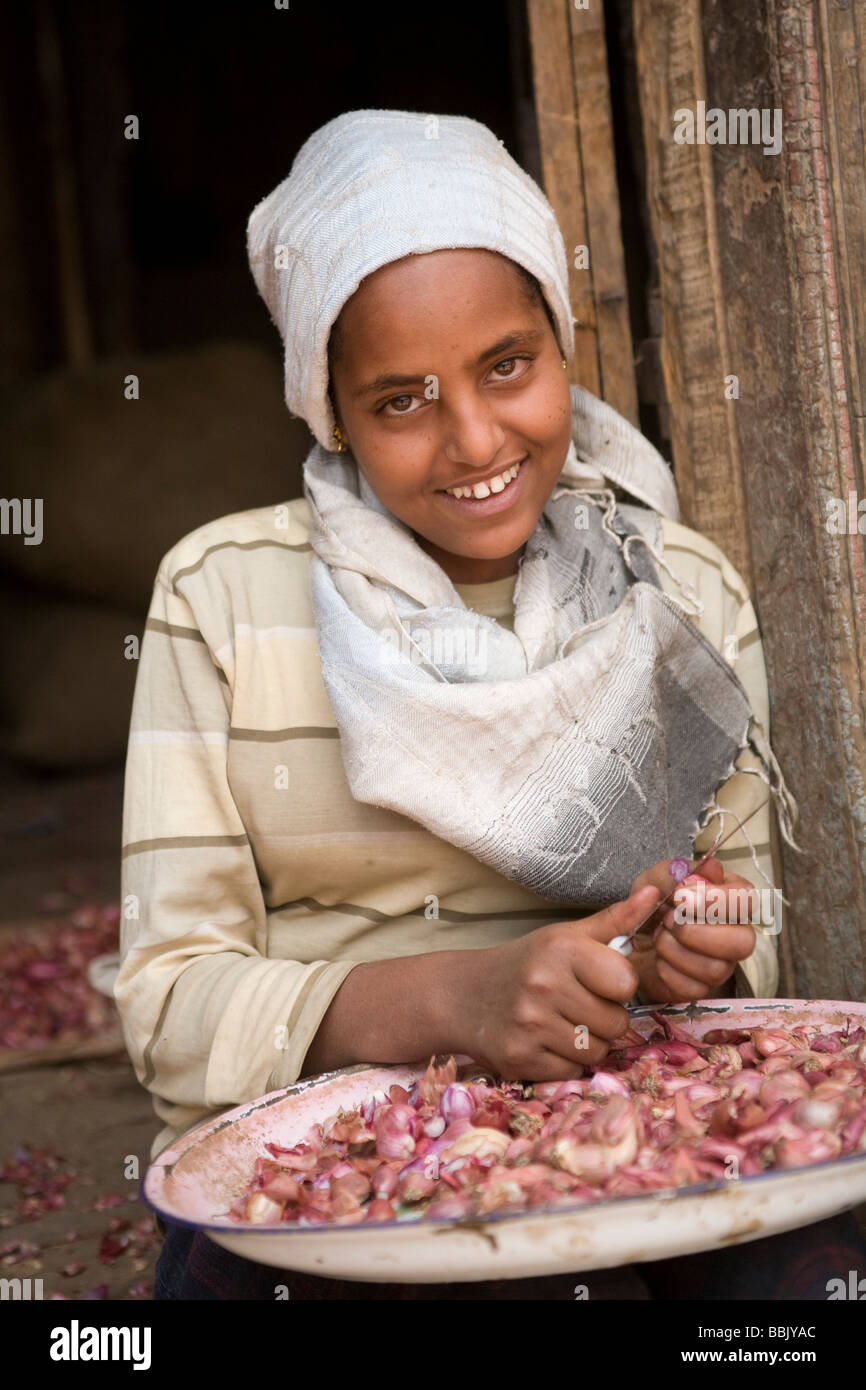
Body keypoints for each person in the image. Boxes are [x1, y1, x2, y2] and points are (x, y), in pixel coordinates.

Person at [115, 110, 865, 1299]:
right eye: (399, 399)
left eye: (507, 364)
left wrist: (699, 952)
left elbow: (751, 932)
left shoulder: (674, 595)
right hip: (348, 1170)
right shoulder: (226, 601)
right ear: (328, 409)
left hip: (636, 1120)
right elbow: (168, 1007)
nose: (473, 439)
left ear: (560, 346)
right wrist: (452, 1001)